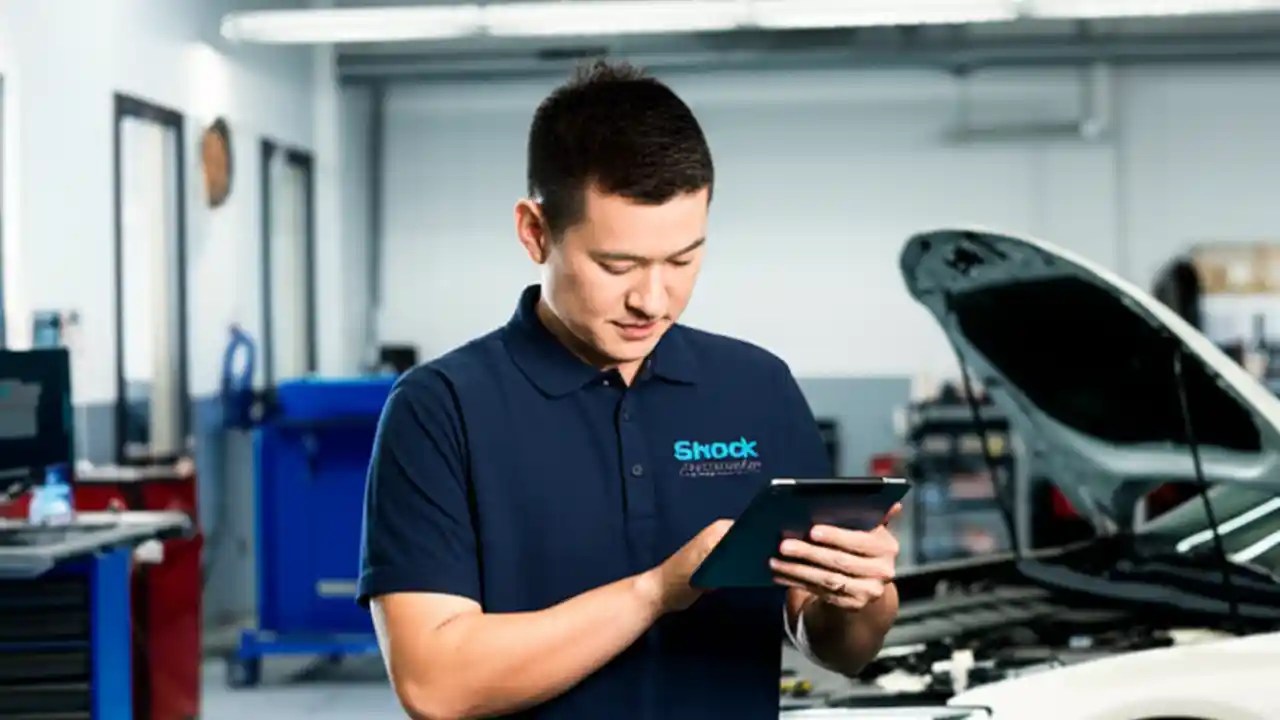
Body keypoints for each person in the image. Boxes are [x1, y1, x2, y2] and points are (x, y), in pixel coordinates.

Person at [357, 59, 902, 720]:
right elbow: (434, 684)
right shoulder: (440, 410)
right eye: (617, 265)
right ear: (535, 232)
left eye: (683, 259)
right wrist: (656, 592)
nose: (652, 299)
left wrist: (862, 595)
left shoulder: (758, 388)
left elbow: (835, 648)